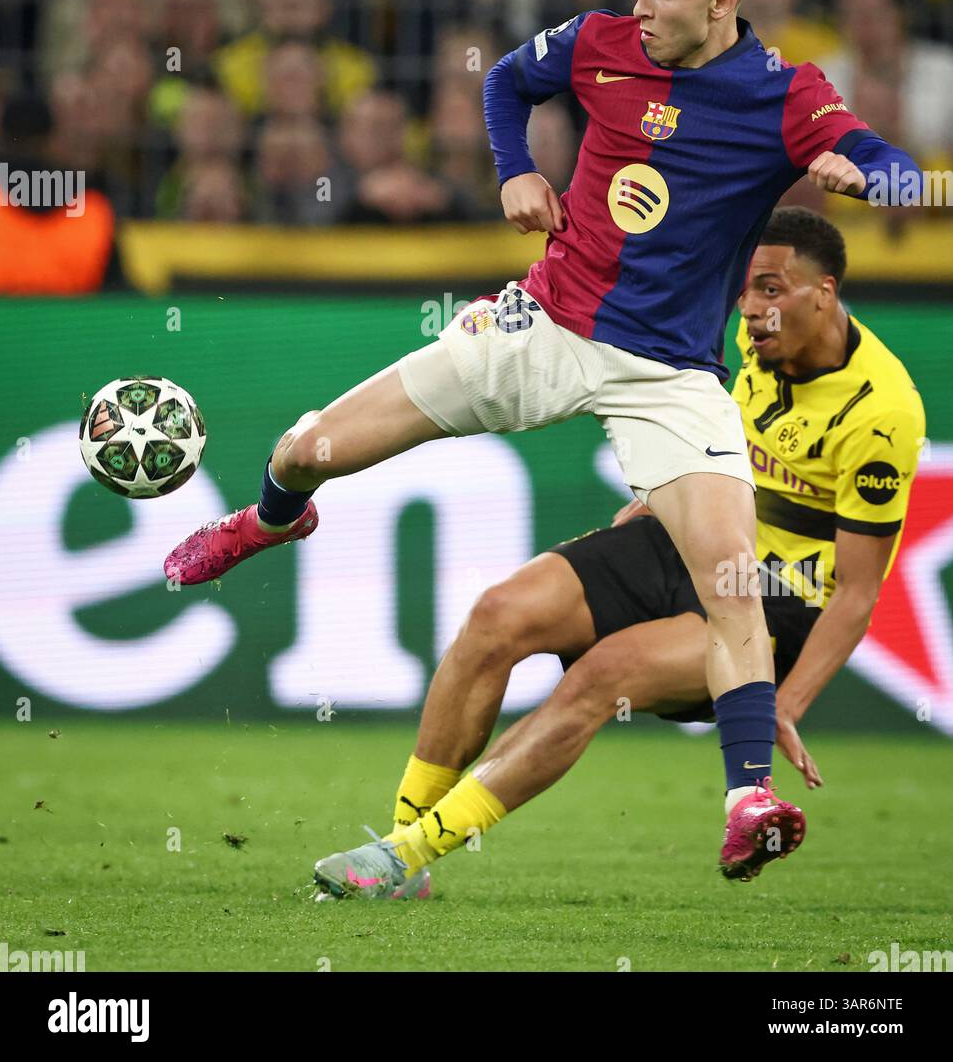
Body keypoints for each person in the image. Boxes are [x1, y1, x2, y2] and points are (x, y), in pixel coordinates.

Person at [163, 0, 921, 876]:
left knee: (731, 575)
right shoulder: (601, 43)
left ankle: (745, 797)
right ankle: (271, 519)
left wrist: (865, 176)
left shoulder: (783, 94)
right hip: (546, 322)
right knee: (308, 450)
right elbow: (507, 82)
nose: (638, 4)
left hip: (666, 372)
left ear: (722, 2)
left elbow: (898, 169)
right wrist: (516, 169)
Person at [310, 209, 926, 897]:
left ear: (824, 292)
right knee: (496, 616)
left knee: (601, 676)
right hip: (685, 541)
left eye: (771, 291)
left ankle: (405, 856)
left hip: (775, 602)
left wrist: (786, 701)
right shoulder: (758, 347)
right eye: (745, 291)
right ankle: (401, 837)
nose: (750, 310)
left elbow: (856, 592)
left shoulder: (881, 412)